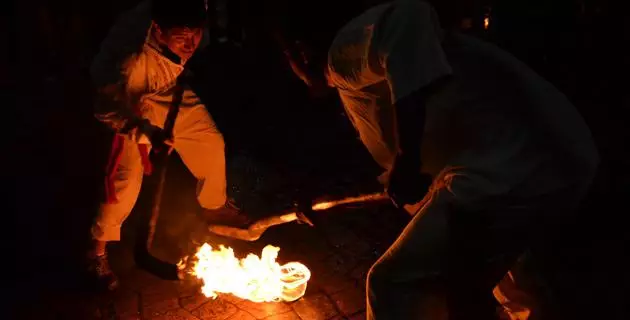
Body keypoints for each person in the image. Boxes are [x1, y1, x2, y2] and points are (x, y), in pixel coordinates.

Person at [282, 0, 599, 318]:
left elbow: (407, 17)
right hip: (541, 155)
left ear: (300, 52)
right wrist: (336, 194)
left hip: (514, 163)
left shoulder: (342, 57)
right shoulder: (357, 78)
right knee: (510, 284)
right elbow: (400, 163)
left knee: (397, 285)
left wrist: (408, 160)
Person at [88, 0, 249, 290]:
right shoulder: (130, 59)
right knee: (123, 181)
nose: (190, 44)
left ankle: (213, 206)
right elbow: (104, 108)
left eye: (196, 34)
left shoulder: (188, 19)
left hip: (164, 90)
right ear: (159, 30)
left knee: (209, 141)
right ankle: (96, 253)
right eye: (181, 37)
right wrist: (147, 132)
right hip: (128, 104)